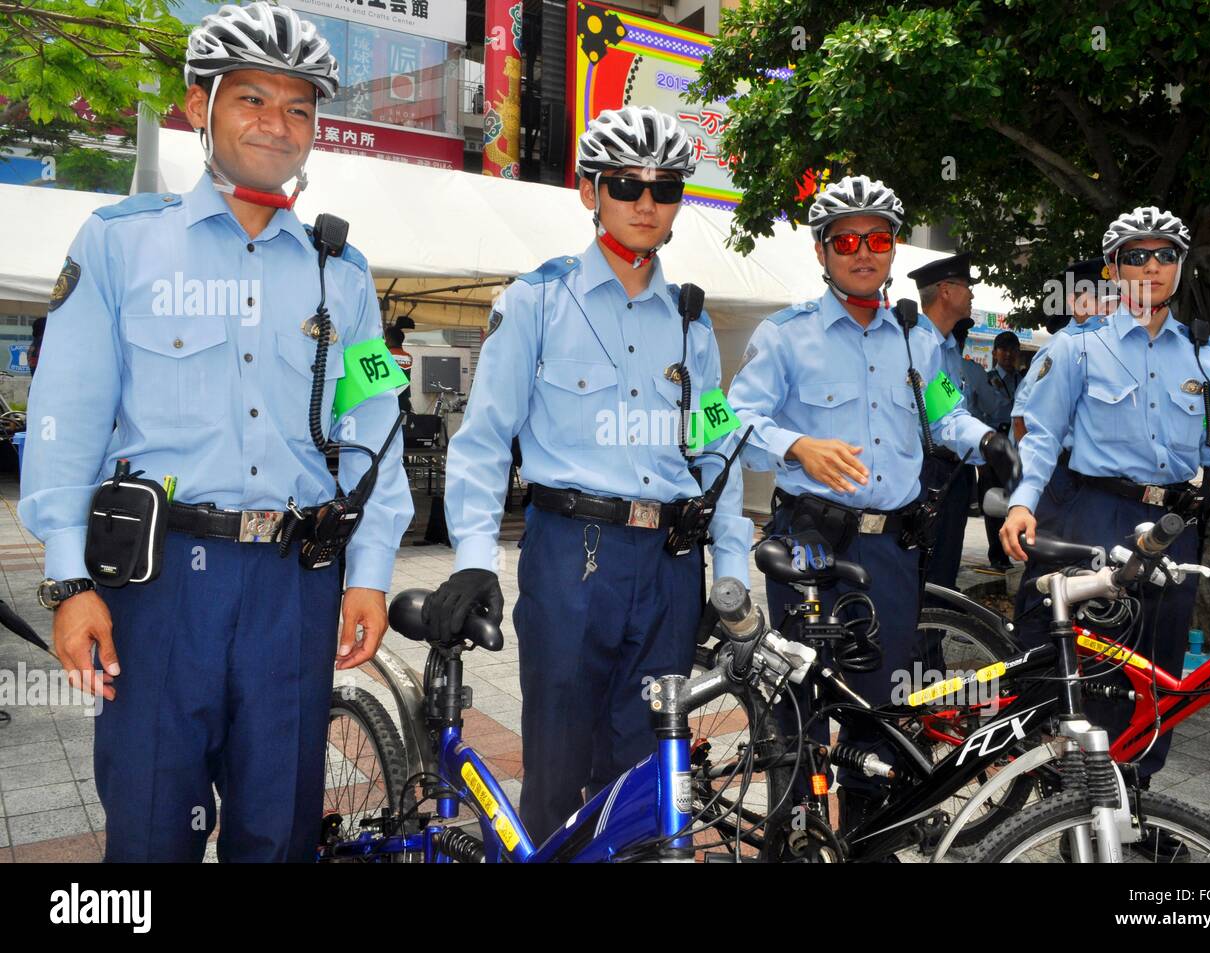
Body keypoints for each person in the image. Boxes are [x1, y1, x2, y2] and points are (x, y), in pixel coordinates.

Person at [18, 1, 413, 862]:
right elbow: (66, 415)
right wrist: (66, 580)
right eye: (252, 100)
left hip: (293, 587)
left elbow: (374, 426)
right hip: (158, 592)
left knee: (281, 833)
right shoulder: (121, 243)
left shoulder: (342, 275)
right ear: (200, 108)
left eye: (300, 108)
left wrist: (372, 572)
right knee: (151, 827)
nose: (278, 124)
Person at [433, 105, 752, 843]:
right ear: (589, 192)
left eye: (665, 188)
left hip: (671, 568)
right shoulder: (538, 301)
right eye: (625, 184)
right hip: (572, 559)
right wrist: (474, 560)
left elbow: (716, 456)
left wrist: (729, 574)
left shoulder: (691, 322)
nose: (646, 203)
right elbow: (483, 442)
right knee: (556, 767)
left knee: (644, 773)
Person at [727, 175, 1020, 825]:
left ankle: (865, 836)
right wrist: (798, 445)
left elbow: (945, 417)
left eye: (879, 238)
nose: (864, 250)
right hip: (809, 543)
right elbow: (729, 424)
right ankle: (797, 835)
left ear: (893, 251)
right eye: (846, 239)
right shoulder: (785, 336)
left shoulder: (916, 340)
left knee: (879, 713)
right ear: (822, 251)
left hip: (891, 549)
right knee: (802, 707)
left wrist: (991, 441)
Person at [1001, 206, 1210, 798]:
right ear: (1113, 269)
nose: (1151, 267)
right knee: (1092, 666)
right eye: (1135, 256)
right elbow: (1039, 437)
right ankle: (1072, 803)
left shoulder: (1207, 357)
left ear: (1179, 267)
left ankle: (1134, 799)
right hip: (1097, 517)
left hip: (1173, 527)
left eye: (1164, 254)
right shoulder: (1076, 347)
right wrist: (1022, 504)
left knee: (1157, 669)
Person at [909, 252, 980, 591]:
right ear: (946, 291)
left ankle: (932, 641)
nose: (972, 295)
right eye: (967, 287)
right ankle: (920, 642)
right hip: (929, 470)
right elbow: (944, 415)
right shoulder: (914, 344)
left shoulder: (949, 346)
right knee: (925, 571)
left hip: (954, 470)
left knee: (945, 571)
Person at [1011, 257, 1115, 442]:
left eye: (1110, 297)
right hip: (1063, 464)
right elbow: (1021, 420)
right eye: (1095, 297)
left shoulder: (1108, 347)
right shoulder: (1060, 345)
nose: (1104, 307)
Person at [971, 330, 1023, 571]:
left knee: (1018, 500)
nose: (1008, 354)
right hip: (992, 448)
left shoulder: (1024, 380)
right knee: (992, 503)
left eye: (1013, 349)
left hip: (1019, 448)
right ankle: (998, 557)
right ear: (994, 352)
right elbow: (977, 415)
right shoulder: (987, 379)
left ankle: (1020, 550)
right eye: (1003, 349)